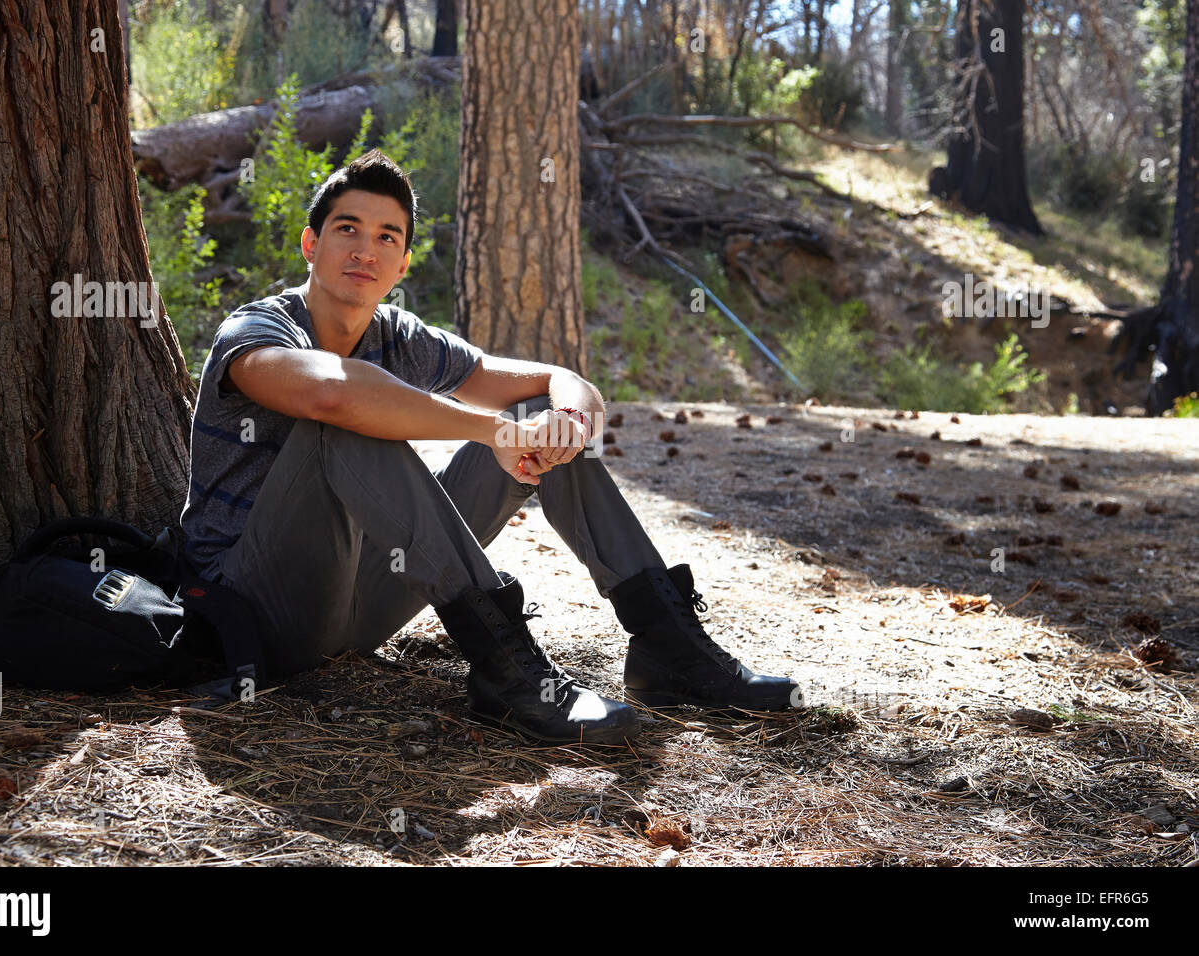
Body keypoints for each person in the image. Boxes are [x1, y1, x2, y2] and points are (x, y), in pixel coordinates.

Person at [179, 149, 802, 745]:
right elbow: (335, 397)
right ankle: (508, 669)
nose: (366, 250)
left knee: (538, 412)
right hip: (257, 610)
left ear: (402, 266)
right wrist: (495, 433)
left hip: (361, 607)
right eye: (349, 229)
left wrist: (563, 423)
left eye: (387, 237)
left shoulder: (399, 336)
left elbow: (563, 381)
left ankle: (669, 646)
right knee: (344, 421)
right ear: (312, 245)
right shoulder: (255, 330)